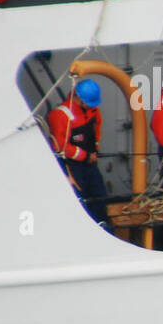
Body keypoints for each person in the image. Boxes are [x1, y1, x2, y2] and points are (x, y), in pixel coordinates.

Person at [50, 79, 108, 224]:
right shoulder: (61, 115)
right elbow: (60, 145)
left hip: (89, 163)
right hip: (72, 166)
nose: (91, 106)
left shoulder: (93, 111)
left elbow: (97, 129)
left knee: (100, 196)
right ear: (79, 99)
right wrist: (84, 156)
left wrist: (95, 149)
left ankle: (102, 226)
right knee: (79, 200)